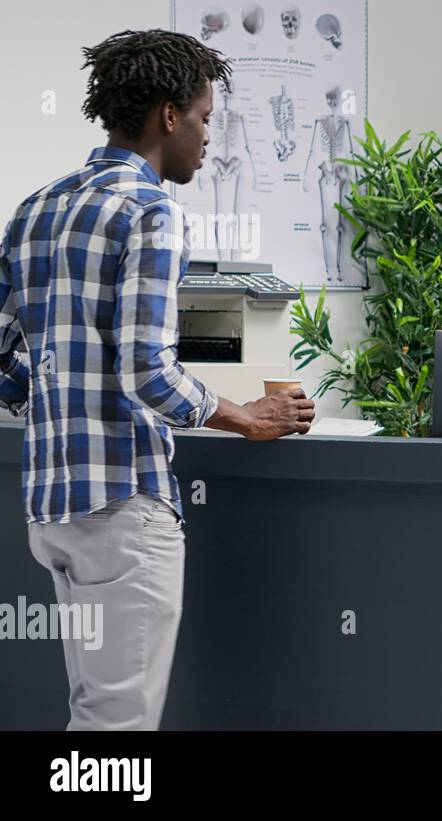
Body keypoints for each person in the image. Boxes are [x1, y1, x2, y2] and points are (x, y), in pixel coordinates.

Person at [0, 30, 315, 731]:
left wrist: (46, 396)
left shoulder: (35, 209)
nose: (206, 137)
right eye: (204, 117)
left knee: (94, 711)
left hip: (53, 508)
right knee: (120, 727)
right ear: (169, 115)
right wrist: (250, 416)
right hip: (123, 504)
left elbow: (0, 353)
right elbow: (148, 373)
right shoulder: (152, 211)